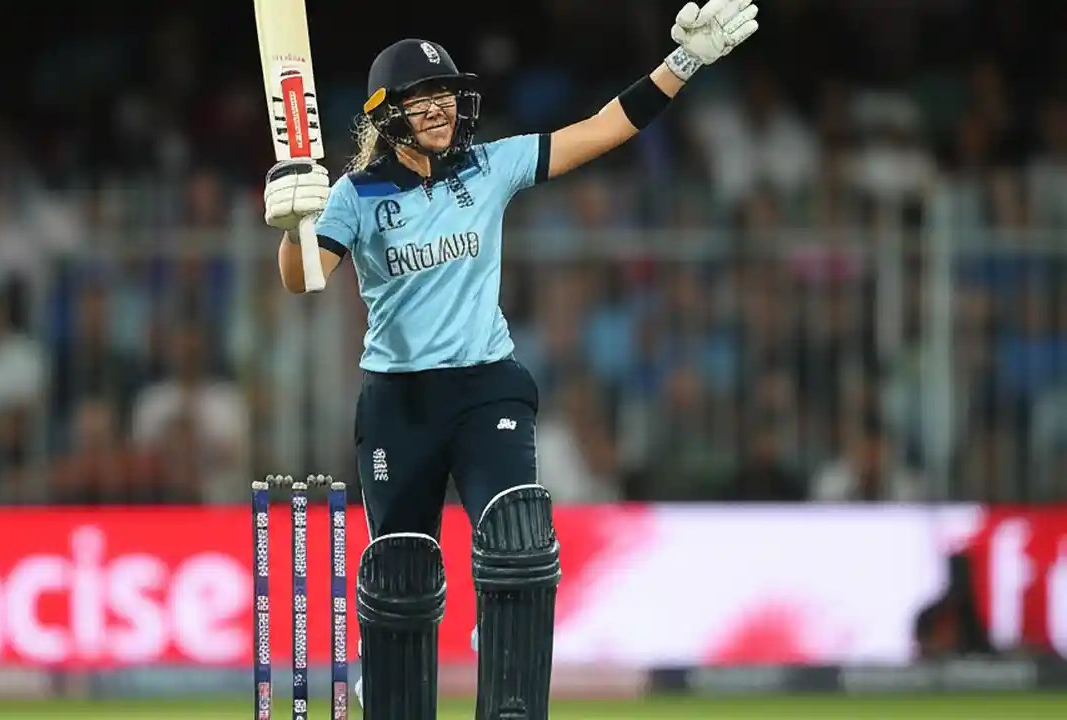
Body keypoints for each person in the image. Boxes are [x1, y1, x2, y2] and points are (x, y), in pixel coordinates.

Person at [261, 1, 760, 717]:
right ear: (387, 113)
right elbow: (304, 279)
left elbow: (601, 130)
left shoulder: (488, 166)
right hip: (399, 404)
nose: (438, 109)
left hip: (486, 387)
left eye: (444, 95)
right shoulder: (353, 194)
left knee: (518, 545)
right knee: (400, 575)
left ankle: (512, 698)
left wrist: (682, 64)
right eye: (420, 98)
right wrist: (292, 229)